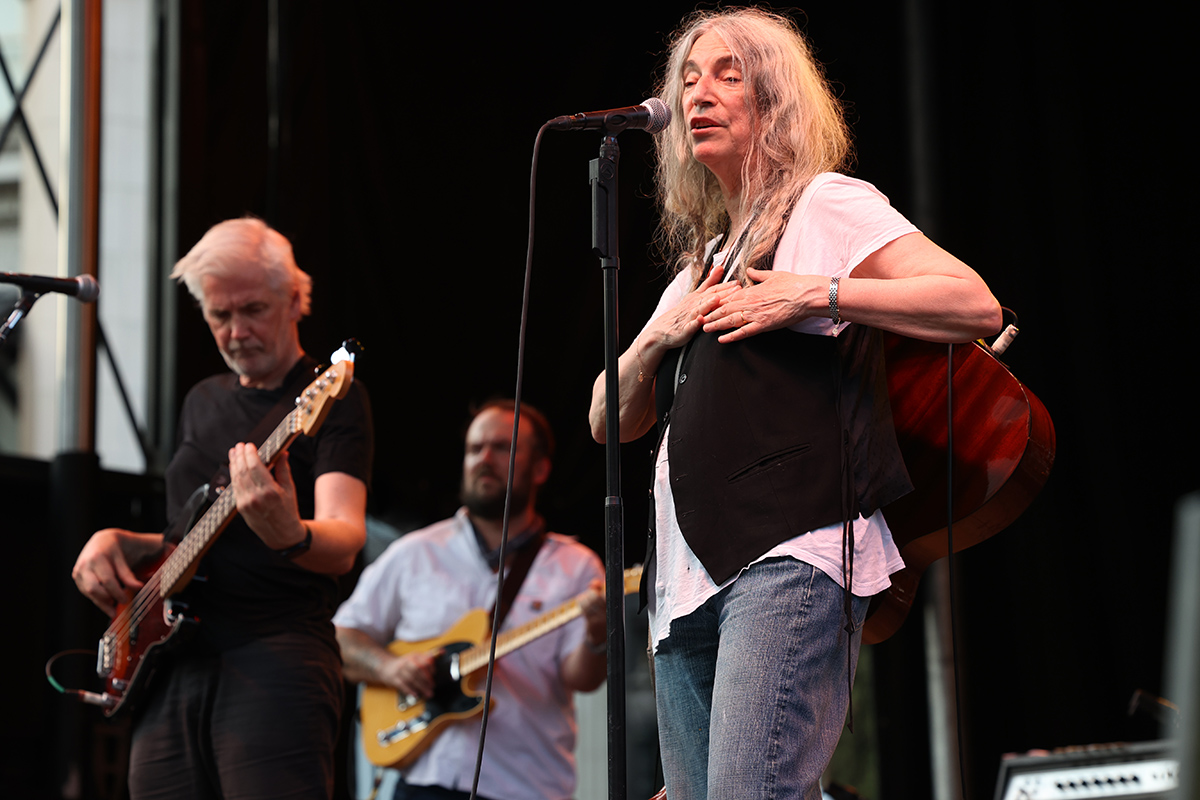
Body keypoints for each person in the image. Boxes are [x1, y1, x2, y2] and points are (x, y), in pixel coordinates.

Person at [588, 8, 1002, 800]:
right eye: (686, 80)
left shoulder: (825, 206)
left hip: (787, 559)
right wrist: (655, 338)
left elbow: (974, 305)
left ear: (774, 101)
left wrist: (814, 293)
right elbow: (610, 418)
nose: (697, 95)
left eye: (726, 75)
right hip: (680, 593)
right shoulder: (698, 269)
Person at [71, 218, 374, 800]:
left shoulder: (335, 396)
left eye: (253, 310)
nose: (236, 332)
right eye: (219, 315)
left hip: (274, 652)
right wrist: (116, 539)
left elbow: (345, 537)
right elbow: (182, 537)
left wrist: (290, 534)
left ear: (295, 299)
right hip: (172, 662)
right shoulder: (201, 399)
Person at [334, 401, 606, 800]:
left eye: (502, 447)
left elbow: (581, 678)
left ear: (541, 468)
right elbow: (341, 639)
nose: (484, 459)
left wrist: (598, 634)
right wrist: (391, 668)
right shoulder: (414, 553)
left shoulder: (576, 566)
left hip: (527, 784)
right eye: (474, 448)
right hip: (427, 780)